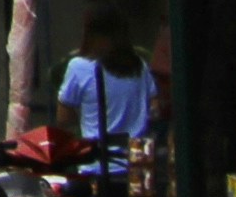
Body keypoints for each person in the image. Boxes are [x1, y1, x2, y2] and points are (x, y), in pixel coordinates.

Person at [55, 20, 159, 165]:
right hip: (137, 164)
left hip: (96, 166)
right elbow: (155, 106)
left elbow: (63, 118)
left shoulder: (79, 67)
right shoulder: (140, 66)